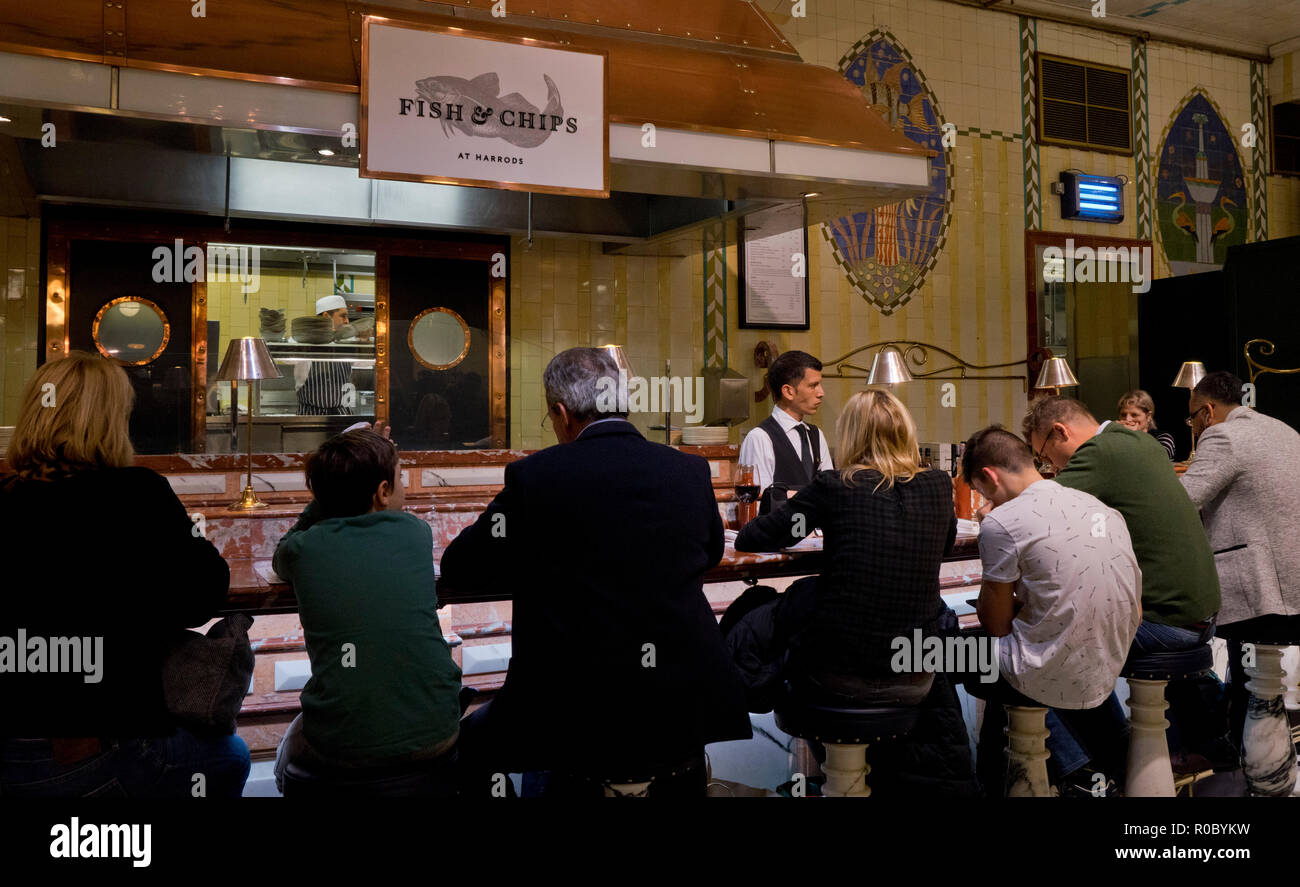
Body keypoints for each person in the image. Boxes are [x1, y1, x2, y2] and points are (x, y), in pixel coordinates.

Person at [439, 347, 750, 796]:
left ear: (562, 414)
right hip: (682, 702)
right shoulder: (688, 470)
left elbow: (461, 567)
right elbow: (709, 549)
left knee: (468, 747)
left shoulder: (535, 478)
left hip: (567, 710)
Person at [0, 351, 250, 797]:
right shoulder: (136, 493)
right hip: (93, 755)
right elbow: (202, 596)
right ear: (111, 421)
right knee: (232, 756)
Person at [729, 388, 978, 797]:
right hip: (917, 676)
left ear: (851, 435)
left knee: (770, 608)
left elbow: (753, 538)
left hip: (833, 677)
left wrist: (810, 518)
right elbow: (943, 544)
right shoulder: (937, 485)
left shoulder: (834, 486)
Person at [1023, 396, 1230, 770]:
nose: (1051, 466)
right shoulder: (1139, 442)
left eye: (1045, 455)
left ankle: (1105, 768)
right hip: (1201, 613)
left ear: (1060, 432)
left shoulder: (1097, 454)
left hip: (1166, 620)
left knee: (1049, 656)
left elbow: (1034, 513)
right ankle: (1123, 759)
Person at [271, 426, 461, 794]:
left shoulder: (303, 550)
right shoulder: (416, 533)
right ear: (383, 492)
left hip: (345, 747)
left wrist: (326, 493)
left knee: (291, 740)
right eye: (400, 479)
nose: (404, 488)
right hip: (439, 730)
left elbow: (283, 552)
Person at [961, 425, 1141, 794]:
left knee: (956, 652)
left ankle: (998, 782)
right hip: (1109, 662)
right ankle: (1095, 767)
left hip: (1049, 669)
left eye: (981, 494)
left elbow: (995, 624)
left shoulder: (1001, 522)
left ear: (988, 476)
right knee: (1025, 667)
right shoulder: (1100, 508)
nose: (984, 504)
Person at [1180, 371, 1300, 748]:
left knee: (1244, 678)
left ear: (1207, 412)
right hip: (1292, 582)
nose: (1194, 427)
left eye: (1192, 418)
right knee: (1255, 684)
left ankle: (1240, 762)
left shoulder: (1222, 435)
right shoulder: (1284, 429)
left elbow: (1181, 503)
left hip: (1258, 591)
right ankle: (1256, 761)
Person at [738, 350, 834, 512]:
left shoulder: (816, 435)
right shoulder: (760, 438)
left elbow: (830, 492)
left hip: (816, 534)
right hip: (779, 535)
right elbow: (762, 501)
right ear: (788, 391)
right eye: (813, 385)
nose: (821, 393)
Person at [294, 294, 356, 416]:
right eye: (343, 316)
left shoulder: (347, 344)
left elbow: (367, 363)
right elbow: (287, 359)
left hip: (342, 414)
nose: (347, 321)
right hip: (310, 415)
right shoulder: (303, 343)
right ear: (327, 316)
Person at [1117, 389, 1176, 461]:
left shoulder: (1163, 437)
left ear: (1148, 416)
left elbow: (1158, 459)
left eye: (1134, 415)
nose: (1128, 419)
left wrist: (1136, 435)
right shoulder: (1116, 438)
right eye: (1123, 415)